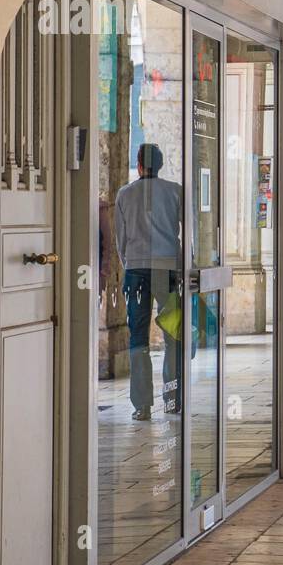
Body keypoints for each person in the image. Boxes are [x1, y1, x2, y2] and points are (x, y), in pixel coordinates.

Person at [115, 143, 183, 421]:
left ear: (140, 165)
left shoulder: (125, 194)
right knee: (172, 335)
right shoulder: (175, 191)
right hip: (167, 270)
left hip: (137, 270)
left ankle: (142, 405)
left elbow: (121, 240)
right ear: (162, 165)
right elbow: (186, 232)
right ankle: (172, 398)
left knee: (138, 338)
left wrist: (129, 265)